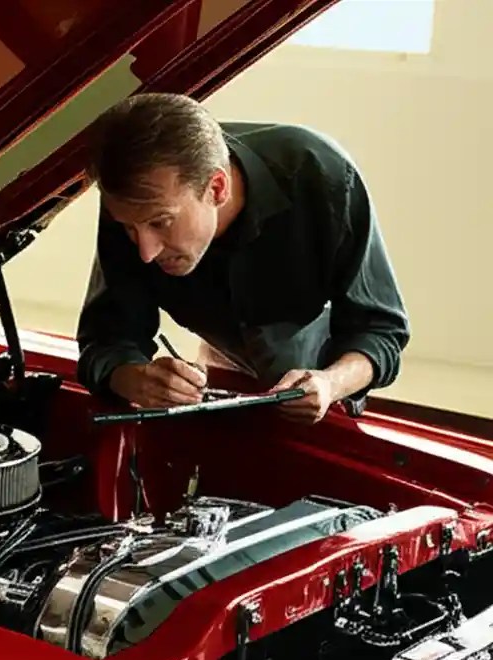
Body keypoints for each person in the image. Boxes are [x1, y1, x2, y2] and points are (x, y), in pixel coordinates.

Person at [75, 93, 409, 424]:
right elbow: (106, 340)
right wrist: (135, 379)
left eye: (161, 223)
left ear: (217, 188)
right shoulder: (134, 200)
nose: (145, 253)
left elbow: (380, 331)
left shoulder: (322, 176)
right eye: (129, 229)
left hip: (325, 404)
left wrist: (330, 383)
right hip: (219, 383)